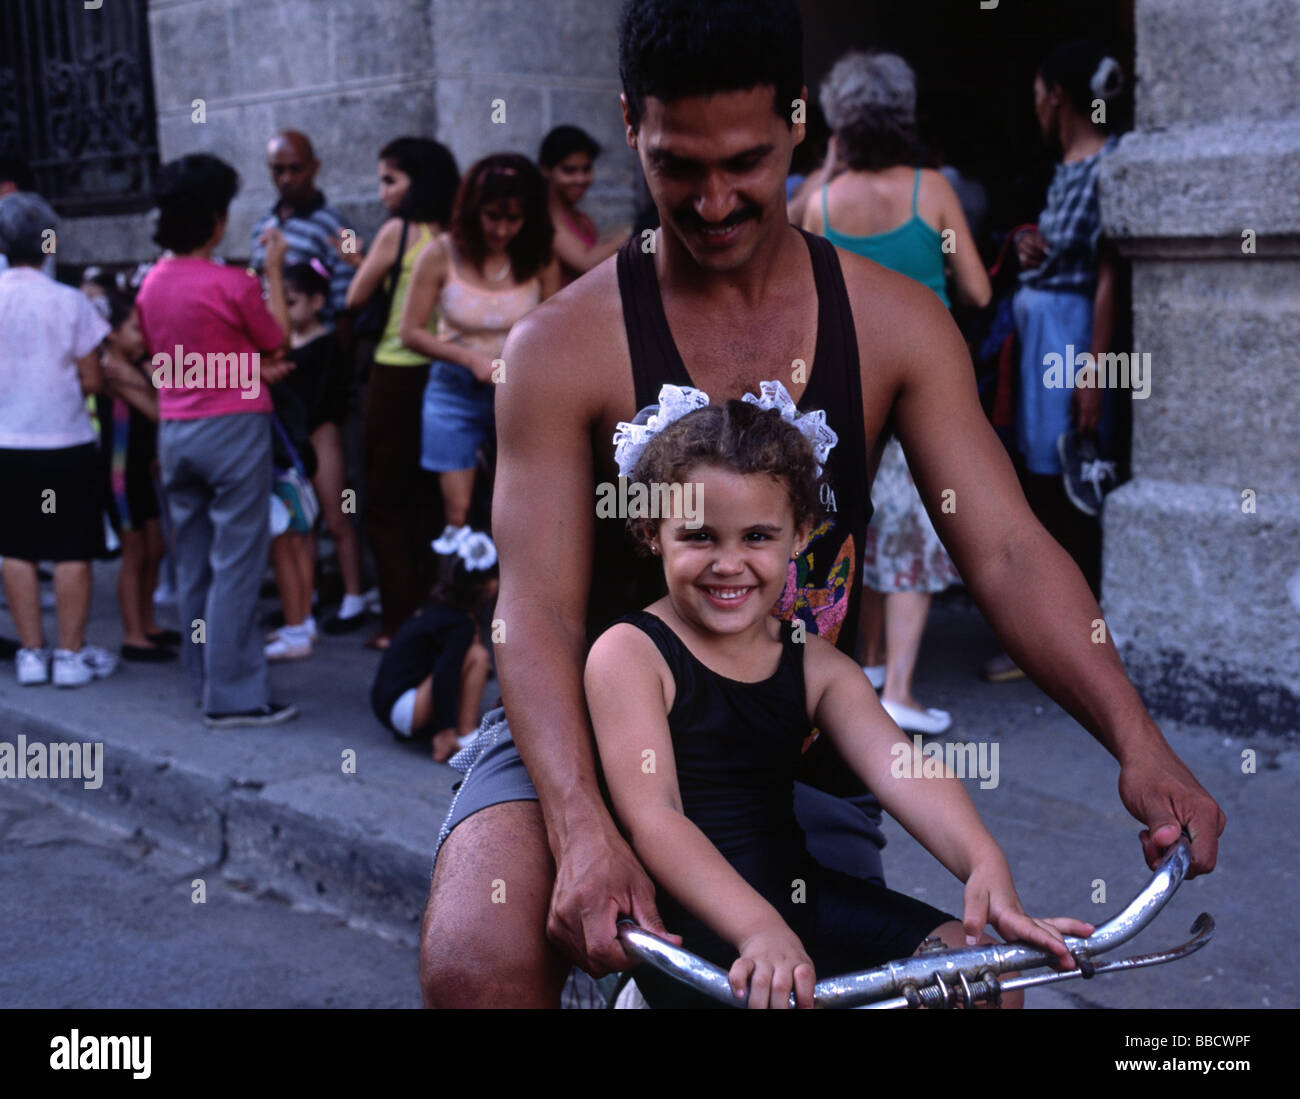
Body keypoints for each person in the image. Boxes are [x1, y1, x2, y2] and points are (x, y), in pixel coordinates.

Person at [418, 0, 1223, 1010]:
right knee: (476, 964)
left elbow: (1009, 550)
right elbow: (534, 611)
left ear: (800, 121)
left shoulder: (895, 325)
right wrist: (584, 824)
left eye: (745, 163)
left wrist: (1139, 743)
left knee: (971, 991)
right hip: (581, 728)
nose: (713, 202)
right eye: (678, 166)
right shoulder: (558, 346)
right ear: (631, 124)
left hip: (783, 745)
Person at [587, 395, 1093, 1008]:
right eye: (698, 536)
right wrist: (758, 928)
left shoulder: (814, 663)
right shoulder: (632, 653)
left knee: (985, 983)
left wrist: (984, 864)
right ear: (650, 532)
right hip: (694, 930)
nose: (728, 563)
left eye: (757, 536)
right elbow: (656, 818)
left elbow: (902, 768)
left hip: (800, 899)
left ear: (800, 534)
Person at [802, 51, 992, 734]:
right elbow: (976, 289)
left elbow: (794, 251)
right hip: (924, 386)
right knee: (913, 534)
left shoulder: (822, 204)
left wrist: (828, 167)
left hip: (851, 389)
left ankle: (873, 660)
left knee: (863, 520)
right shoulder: (930, 190)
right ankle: (901, 693)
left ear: (840, 123)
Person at [135, 153, 297, 727]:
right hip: (233, 430)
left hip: (177, 431)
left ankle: (206, 678)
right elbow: (278, 340)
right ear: (214, 219)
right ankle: (233, 695)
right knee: (237, 565)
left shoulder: (151, 282)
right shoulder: (232, 283)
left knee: (196, 562)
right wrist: (273, 269)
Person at [983, 41, 1125, 683]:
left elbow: (1107, 276)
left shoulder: (1108, 164)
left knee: (1068, 483)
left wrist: (1093, 370)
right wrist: (1025, 244)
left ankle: (1077, 641)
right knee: (1041, 476)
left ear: (1057, 95)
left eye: (1039, 92)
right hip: (1041, 331)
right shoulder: (1068, 165)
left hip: (1070, 336)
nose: (1034, 104)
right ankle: (1051, 633)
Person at [399, 153, 561, 532]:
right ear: (473, 210)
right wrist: (468, 358)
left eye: (513, 219)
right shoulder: (440, 252)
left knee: (520, 506)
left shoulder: (538, 256)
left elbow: (554, 328)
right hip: (453, 391)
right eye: (492, 216)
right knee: (458, 513)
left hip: (520, 392)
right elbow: (411, 332)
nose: (502, 230)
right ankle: (462, 583)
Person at [344, 137, 460, 649]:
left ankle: (398, 623)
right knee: (432, 499)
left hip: (395, 374)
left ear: (417, 181)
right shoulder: (457, 235)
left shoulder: (400, 231)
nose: (382, 192)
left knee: (386, 500)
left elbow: (357, 296)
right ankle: (439, 609)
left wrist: (356, 260)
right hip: (446, 374)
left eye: (390, 179)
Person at [0, 192, 118, 687]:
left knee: (15, 545)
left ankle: (31, 653)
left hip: (7, 442)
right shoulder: (71, 302)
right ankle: (70, 656)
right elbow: (93, 381)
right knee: (71, 546)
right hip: (65, 444)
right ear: (47, 244)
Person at [276, 259, 365, 642]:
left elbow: (326, 400)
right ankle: (305, 597)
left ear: (316, 301)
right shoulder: (278, 347)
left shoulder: (327, 344)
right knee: (301, 523)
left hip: (321, 438)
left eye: (290, 301)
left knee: (339, 516)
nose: (283, 308)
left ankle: (355, 595)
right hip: (291, 444)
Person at [95, 291, 176, 663]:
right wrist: (139, 381)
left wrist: (140, 379)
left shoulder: (136, 366)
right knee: (135, 553)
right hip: (120, 476)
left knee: (155, 548)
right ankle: (133, 634)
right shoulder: (110, 370)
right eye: (133, 328)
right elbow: (160, 412)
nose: (142, 336)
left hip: (141, 470)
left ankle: (147, 622)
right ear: (110, 333)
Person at [371, 526, 497, 763]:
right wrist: (445, 728)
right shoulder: (461, 623)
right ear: (485, 586)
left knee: (465, 655)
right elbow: (444, 673)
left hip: (387, 706)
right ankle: (464, 735)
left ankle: (440, 726)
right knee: (478, 657)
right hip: (404, 710)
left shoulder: (435, 606)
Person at [248, 131, 354, 326]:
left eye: (295, 169)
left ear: (314, 168)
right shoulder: (262, 226)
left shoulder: (341, 228)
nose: (286, 178)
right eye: (278, 170)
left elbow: (346, 307)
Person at [538, 126, 629, 285]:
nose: (580, 179)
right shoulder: (544, 218)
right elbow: (586, 263)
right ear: (546, 170)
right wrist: (635, 232)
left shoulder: (583, 220)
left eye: (586, 169)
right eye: (569, 171)